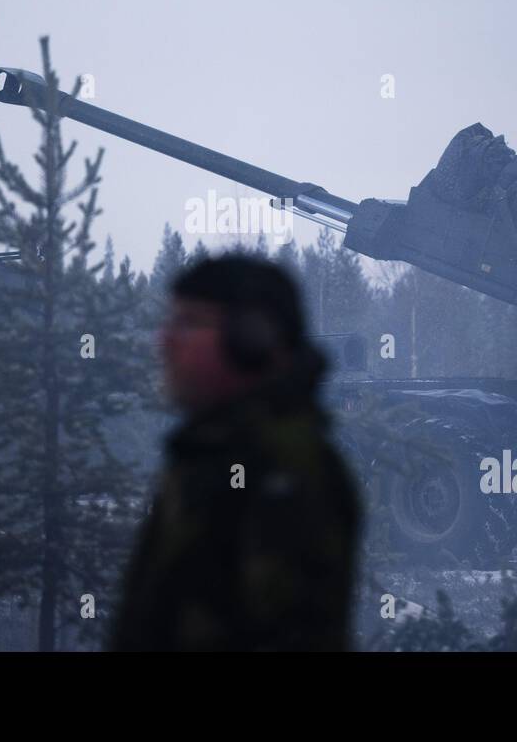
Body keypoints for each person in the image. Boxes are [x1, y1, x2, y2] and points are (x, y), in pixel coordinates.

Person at [110, 254, 362, 651]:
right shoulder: (212, 453)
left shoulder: (281, 471)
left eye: (191, 322)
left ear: (252, 340)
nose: (166, 340)